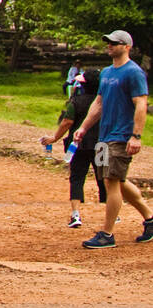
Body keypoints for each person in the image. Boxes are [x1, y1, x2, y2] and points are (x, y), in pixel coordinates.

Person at [73, 30, 153, 248]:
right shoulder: (107, 72)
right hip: (104, 135)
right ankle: (150, 218)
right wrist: (83, 128)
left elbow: (141, 104)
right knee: (117, 180)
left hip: (121, 135)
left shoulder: (133, 73)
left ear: (126, 46)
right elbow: (98, 103)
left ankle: (107, 234)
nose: (109, 45)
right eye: (108, 42)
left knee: (111, 181)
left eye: (114, 43)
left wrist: (136, 136)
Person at [40, 68, 107, 228]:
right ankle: (111, 212)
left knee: (77, 177)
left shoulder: (76, 101)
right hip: (101, 145)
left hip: (79, 145)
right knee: (104, 178)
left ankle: (76, 215)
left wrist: (55, 137)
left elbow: (67, 122)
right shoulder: (105, 101)